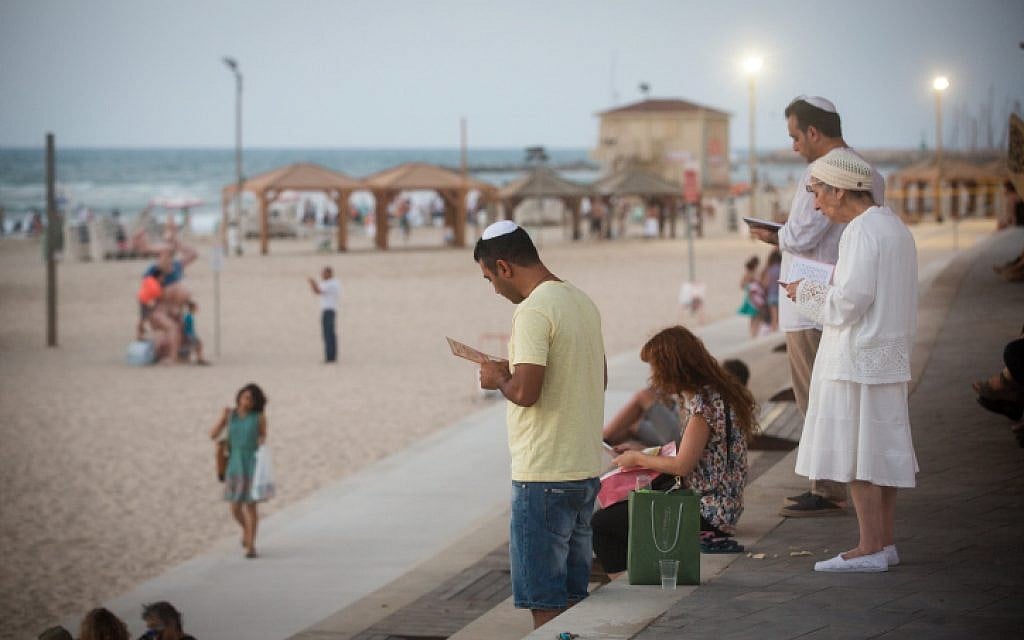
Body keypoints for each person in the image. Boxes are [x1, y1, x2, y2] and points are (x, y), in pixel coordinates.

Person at [782, 148, 918, 573]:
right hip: (887, 355)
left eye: (816, 192)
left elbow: (848, 303)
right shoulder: (894, 226)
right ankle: (884, 543)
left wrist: (804, 292)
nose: (815, 204)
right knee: (881, 452)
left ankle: (868, 547)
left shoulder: (860, 231)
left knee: (859, 455)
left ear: (839, 190)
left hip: (857, 358)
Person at [750, 95, 884, 518]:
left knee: (814, 397)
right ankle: (841, 480)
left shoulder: (822, 171)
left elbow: (803, 234)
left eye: (795, 136)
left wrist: (775, 236)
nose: (793, 146)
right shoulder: (869, 170)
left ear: (813, 132)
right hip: (844, 294)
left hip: (809, 299)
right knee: (840, 396)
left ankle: (826, 487)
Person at [473, 220, 607, 629]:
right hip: (584, 472)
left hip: (544, 475)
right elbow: (597, 377)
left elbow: (525, 393)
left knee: (545, 605)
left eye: (490, 279)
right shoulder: (580, 300)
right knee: (574, 598)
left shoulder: (533, 310)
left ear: (504, 267)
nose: (494, 290)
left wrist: (498, 378)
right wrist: (514, 372)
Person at [591, 326, 757, 576]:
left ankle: (626, 583)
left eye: (655, 368)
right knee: (619, 510)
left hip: (709, 513)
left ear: (672, 368)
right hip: (720, 504)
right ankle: (633, 572)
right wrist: (642, 451)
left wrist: (637, 457)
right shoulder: (712, 395)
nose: (652, 376)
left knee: (602, 523)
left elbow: (682, 466)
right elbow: (696, 452)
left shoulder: (703, 408)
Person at [209, 383, 269, 558]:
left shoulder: (259, 417)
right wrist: (222, 419)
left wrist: (261, 442)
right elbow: (213, 435)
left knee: (251, 506)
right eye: (245, 397)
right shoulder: (230, 415)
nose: (247, 401)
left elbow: (263, 436)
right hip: (234, 463)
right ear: (239, 397)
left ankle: (251, 546)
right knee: (235, 508)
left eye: (251, 399)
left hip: (252, 463)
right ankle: (246, 530)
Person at [603, 387, 681, 449]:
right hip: (678, 433)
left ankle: (603, 438)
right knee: (631, 423)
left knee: (643, 396)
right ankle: (605, 443)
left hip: (682, 441)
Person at [308, 266, 341, 363]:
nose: (322, 275)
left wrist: (313, 283)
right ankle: (331, 356)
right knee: (329, 333)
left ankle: (330, 357)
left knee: (328, 334)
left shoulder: (331, 283)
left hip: (329, 310)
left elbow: (318, 291)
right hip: (329, 310)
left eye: (324, 273)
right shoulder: (330, 283)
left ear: (329, 273)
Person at [737, 256, 763, 338]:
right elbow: (741, 285)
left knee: (753, 316)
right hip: (755, 297)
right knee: (756, 315)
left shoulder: (748, 273)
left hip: (751, 297)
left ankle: (753, 333)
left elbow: (741, 285)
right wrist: (751, 286)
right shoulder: (755, 273)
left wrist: (748, 286)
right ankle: (754, 333)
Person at [761, 249, 783, 332]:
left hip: (772, 295)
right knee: (779, 315)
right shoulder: (782, 268)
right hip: (781, 295)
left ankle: (774, 330)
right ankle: (777, 330)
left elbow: (765, 284)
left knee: (774, 315)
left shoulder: (769, 270)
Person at [181, 300, 209, 365]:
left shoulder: (189, 316)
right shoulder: (188, 316)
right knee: (198, 345)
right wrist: (187, 334)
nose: (197, 309)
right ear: (193, 308)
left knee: (196, 345)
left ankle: (199, 358)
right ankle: (200, 359)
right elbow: (185, 326)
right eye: (196, 307)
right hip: (190, 334)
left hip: (190, 333)